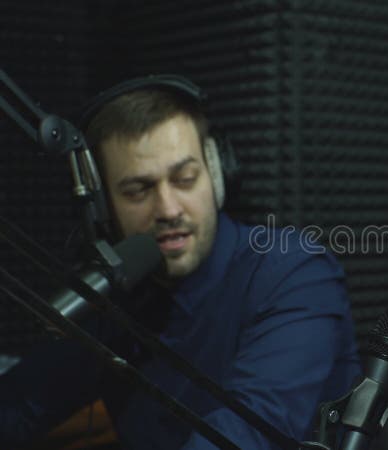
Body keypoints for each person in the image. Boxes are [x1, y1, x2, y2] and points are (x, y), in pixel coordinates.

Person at [0, 76, 362, 449]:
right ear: (104, 209)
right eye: (138, 190)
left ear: (217, 176)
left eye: (185, 179)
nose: (168, 209)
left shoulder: (295, 273)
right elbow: (19, 408)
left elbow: (244, 435)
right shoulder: (118, 296)